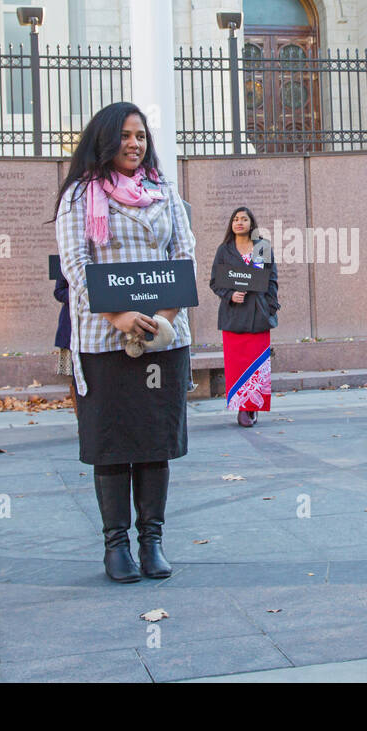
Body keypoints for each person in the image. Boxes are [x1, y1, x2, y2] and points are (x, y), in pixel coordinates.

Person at [54, 102, 196, 583]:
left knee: (154, 440)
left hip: (162, 335)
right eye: (125, 135)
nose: (134, 144)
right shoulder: (80, 196)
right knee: (112, 444)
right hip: (103, 339)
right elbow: (75, 265)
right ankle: (116, 546)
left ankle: (151, 540)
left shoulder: (164, 191)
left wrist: (162, 317)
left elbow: (184, 256)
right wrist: (117, 313)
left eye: (141, 136)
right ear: (105, 138)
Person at [209, 206, 279, 427]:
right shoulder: (224, 250)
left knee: (256, 364)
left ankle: (253, 407)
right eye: (236, 219)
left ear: (251, 224)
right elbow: (215, 282)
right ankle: (241, 407)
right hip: (233, 316)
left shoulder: (262, 247)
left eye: (244, 219)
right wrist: (230, 295)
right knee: (237, 364)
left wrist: (271, 306)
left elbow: (271, 280)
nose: (239, 222)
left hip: (258, 314)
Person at [53, 270, 78, 416]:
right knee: (73, 377)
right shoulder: (68, 257)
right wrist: (85, 294)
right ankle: (80, 419)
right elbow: (59, 292)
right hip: (71, 328)